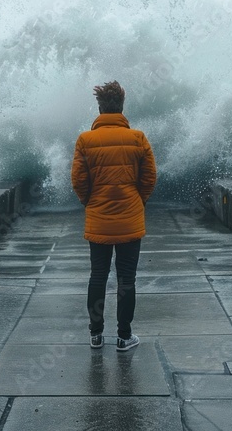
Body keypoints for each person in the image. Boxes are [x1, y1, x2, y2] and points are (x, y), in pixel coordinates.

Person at [71, 80, 157, 352]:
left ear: (99, 107)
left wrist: (90, 202)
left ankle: (96, 335)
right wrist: (138, 200)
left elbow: (78, 180)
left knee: (98, 275)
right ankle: (124, 337)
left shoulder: (85, 139)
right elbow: (150, 177)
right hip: (130, 218)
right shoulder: (138, 138)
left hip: (98, 217)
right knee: (126, 279)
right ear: (121, 106)